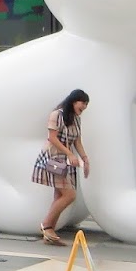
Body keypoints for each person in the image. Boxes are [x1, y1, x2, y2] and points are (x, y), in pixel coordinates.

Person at [32, 88, 90, 245]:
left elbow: (77, 141)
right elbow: (52, 138)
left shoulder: (76, 119)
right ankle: (46, 225)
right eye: (82, 103)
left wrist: (84, 158)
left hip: (65, 160)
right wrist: (70, 154)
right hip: (53, 158)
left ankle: (50, 233)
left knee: (60, 195)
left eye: (86, 104)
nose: (84, 107)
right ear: (73, 101)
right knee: (69, 195)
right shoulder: (57, 115)